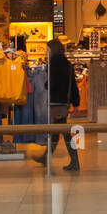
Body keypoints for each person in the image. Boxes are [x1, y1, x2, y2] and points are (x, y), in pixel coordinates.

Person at [34, 37, 81, 172]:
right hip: (64, 102)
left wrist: (45, 84)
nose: (46, 52)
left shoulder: (52, 64)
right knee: (56, 132)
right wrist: (76, 104)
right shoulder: (67, 64)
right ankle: (47, 157)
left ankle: (74, 161)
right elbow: (73, 86)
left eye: (47, 49)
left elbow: (51, 84)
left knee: (64, 133)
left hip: (56, 102)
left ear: (52, 49)